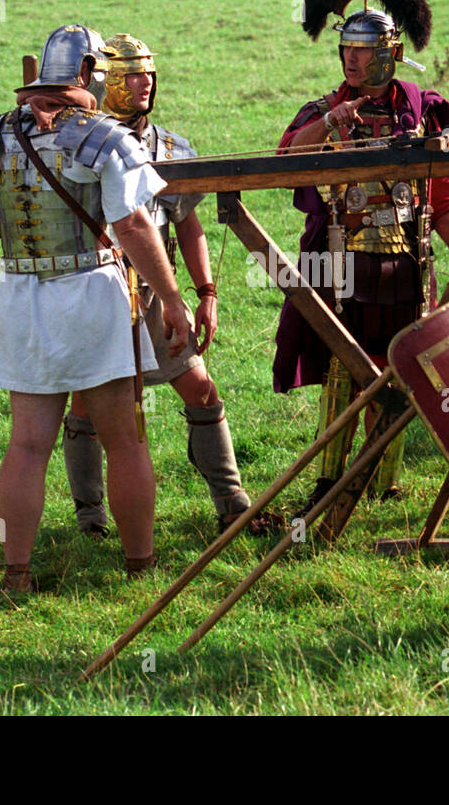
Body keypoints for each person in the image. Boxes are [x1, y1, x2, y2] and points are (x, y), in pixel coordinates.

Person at [0, 24, 191, 589]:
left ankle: (17, 571)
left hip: (20, 296)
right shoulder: (107, 139)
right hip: (91, 293)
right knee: (125, 439)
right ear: (90, 75)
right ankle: (140, 564)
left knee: (27, 443)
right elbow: (135, 225)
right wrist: (172, 299)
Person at [62, 34, 284, 537]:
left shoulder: (169, 149)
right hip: (97, 294)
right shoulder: (74, 147)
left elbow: (185, 224)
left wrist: (205, 293)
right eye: (133, 75)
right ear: (106, 80)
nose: (145, 84)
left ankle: (232, 501)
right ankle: (90, 518)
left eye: (149, 74)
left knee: (200, 389)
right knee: (88, 404)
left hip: (157, 296)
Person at [274, 0, 449, 510]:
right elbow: (289, 155)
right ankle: (331, 476)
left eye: (363, 53)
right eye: (346, 51)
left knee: (399, 366)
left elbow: (444, 186)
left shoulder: (421, 108)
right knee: (343, 365)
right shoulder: (324, 108)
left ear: (391, 53)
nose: (352, 63)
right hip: (344, 258)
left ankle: (384, 480)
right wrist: (334, 123)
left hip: (410, 258)